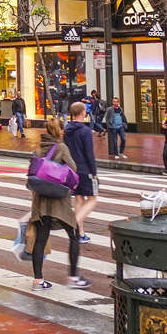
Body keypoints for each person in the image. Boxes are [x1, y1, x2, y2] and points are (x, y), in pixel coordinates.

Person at [26, 115, 87, 291]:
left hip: (40, 201)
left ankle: (38, 280)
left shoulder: (38, 148)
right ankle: (73, 275)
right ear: (59, 131)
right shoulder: (61, 147)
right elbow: (73, 169)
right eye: (62, 129)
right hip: (58, 201)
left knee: (41, 239)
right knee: (74, 234)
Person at [65, 101, 99, 241]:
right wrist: (94, 171)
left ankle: (80, 233)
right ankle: (75, 224)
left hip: (72, 169)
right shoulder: (85, 131)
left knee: (79, 198)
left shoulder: (67, 130)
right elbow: (89, 153)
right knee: (92, 199)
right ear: (82, 113)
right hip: (85, 169)